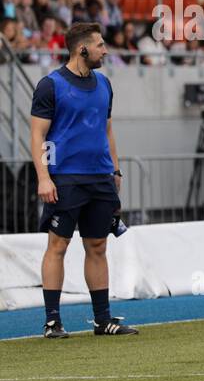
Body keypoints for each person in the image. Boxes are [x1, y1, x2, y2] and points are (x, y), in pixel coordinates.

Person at [29, 21, 138, 337]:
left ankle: (103, 320)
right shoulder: (50, 85)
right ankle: (52, 322)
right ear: (82, 48)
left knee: (98, 245)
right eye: (101, 45)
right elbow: (37, 135)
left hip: (100, 179)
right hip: (65, 179)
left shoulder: (104, 84)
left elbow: (107, 130)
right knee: (58, 246)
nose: (105, 50)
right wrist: (43, 178)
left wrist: (115, 171)